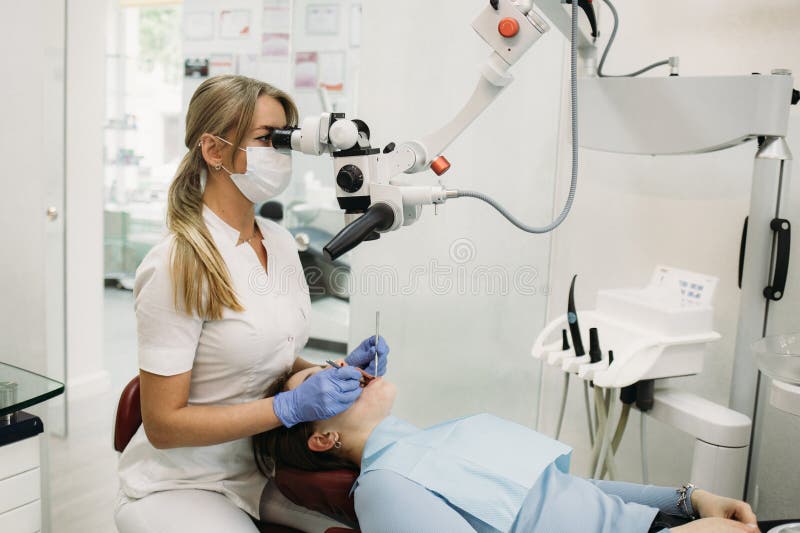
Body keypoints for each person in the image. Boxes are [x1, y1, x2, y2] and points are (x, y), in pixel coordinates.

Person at [114, 75, 390, 533]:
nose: (280, 153)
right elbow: (163, 426)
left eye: (286, 139)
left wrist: (333, 373)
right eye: (267, 138)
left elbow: (266, 351)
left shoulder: (278, 242)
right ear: (214, 150)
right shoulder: (176, 263)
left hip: (260, 471)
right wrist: (287, 408)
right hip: (181, 482)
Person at [254, 366, 760, 533]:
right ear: (323, 438)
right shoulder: (384, 487)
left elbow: (568, 490)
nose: (346, 369)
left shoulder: (428, 442)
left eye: (336, 365)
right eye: (324, 381)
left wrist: (689, 500)